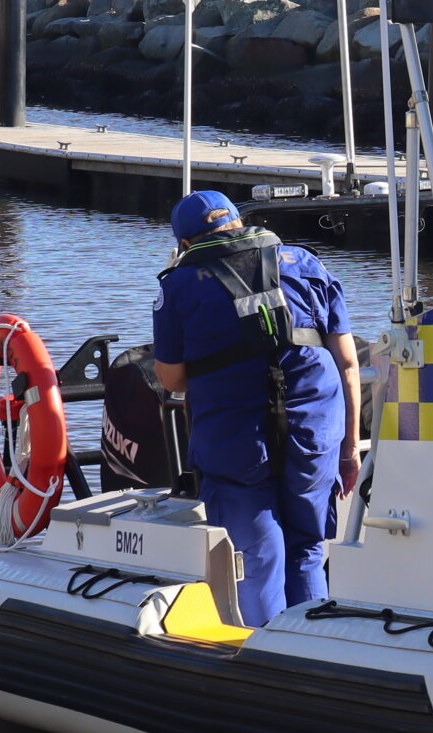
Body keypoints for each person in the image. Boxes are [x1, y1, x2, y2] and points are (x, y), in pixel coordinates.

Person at [151, 190, 360, 627]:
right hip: (315, 426)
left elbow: (171, 379)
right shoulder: (304, 263)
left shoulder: (180, 284)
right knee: (306, 546)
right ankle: (311, 650)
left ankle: (267, 659)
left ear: (185, 244)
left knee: (259, 555)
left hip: (236, 437)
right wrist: (350, 448)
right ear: (238, 223)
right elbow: (348, 363)